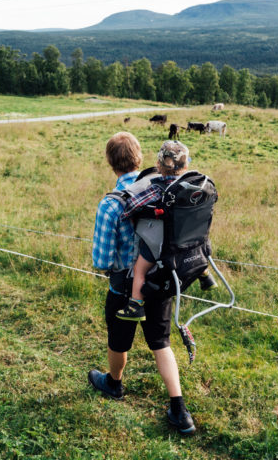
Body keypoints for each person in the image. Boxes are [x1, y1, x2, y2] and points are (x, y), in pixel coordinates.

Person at [88, 132, 196, 435]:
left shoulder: (111, 204)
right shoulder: (164, 187)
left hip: (124, 288)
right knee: (161, 342)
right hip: (161, 280)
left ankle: (114, 383)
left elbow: (102, 260)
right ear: (140, 157)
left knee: (118, 340)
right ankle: (179, 409)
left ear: (111, 162)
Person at [116, 140, 190, 322]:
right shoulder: (190, 186)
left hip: (161, 242)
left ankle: (135, 305)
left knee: (139, 269)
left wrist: (127, 213)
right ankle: (205, 276)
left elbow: (132, 204)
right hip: (188, 241)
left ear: (158, 164)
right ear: (186, 164)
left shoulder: (159, 189)